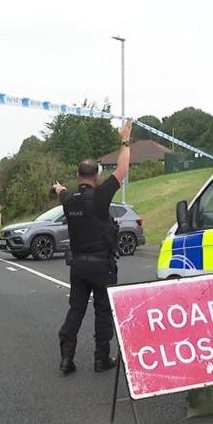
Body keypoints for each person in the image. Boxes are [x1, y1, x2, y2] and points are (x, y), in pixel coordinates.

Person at [52, 119, 133, 374]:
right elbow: (122, 168)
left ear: (78, 177)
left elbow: (62, 191)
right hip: (101, 266)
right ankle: (101, 358)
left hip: (78, 265)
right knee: (102, 311)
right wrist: (125, 139)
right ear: (96, 177)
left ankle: (67, 358)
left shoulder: (69, 200)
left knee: (76, 309)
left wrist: (58, 187)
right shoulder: (100, 195)